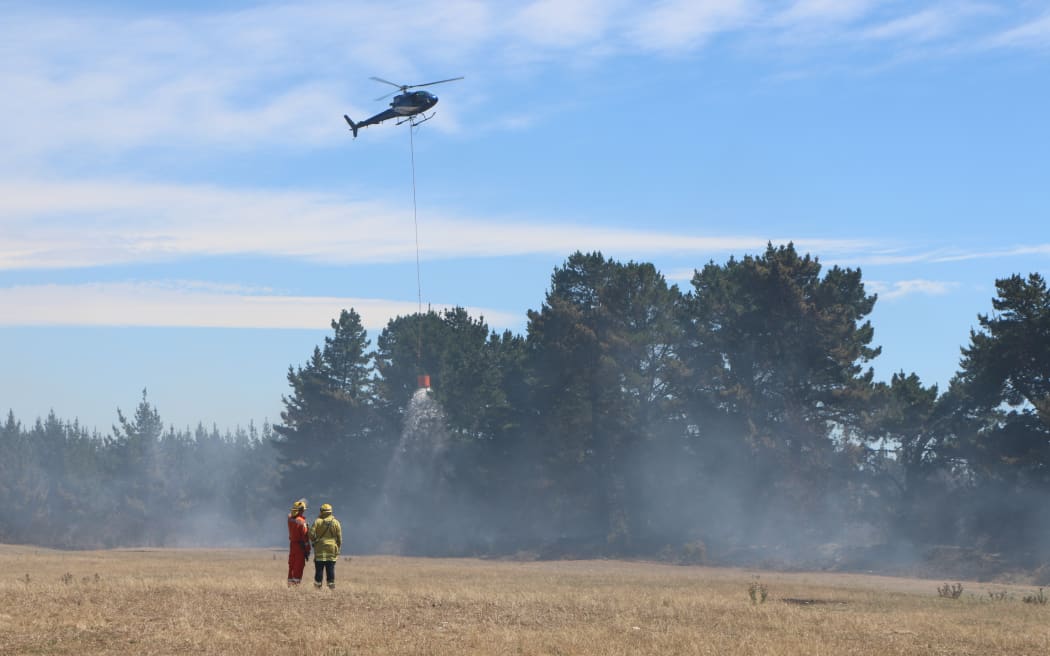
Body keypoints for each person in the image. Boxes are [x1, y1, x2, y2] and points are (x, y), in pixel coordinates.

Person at [310, 503, 342, 590]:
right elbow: (339, 538)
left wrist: (314, 540)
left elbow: (311, 534)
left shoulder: (318, 521)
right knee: (330, 568)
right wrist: (338, 549)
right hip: (331, 549)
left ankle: (317, 586)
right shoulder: (336, 522)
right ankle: (331, 586)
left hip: (320, 549)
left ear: (321, 511)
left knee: (319, 568)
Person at [287, 499, 311, 586]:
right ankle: (296, 586)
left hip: (292, 545)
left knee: (292, 565)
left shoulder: (290, 519)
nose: (304, 511)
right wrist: (307, 550)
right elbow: (305, 538)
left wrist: (296, 506)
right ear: (301, 511)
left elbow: (290, 514)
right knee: (298, 566)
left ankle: (290, 584)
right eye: (303, 510)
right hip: (300, 547)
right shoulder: (301, 522)